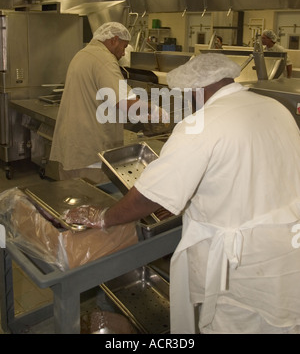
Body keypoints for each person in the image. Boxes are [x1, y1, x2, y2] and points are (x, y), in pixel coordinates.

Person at [65, 53, 300, 334]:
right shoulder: (274, 107)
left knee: (234, 325)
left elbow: (147, 197)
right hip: (287, 255)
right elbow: (246, 170)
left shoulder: (199, 126)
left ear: (194, 90)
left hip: (240, 269)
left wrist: (105, 217)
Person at [50, 22, 138, 183]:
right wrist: (155, 111)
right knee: (94, 202)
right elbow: (124, 102)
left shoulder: (83, 54)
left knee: (73, 200)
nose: (124, 53)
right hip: (89, 152)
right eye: (124, 46)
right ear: (114, 40)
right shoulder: (104, 59)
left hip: (72, 145)